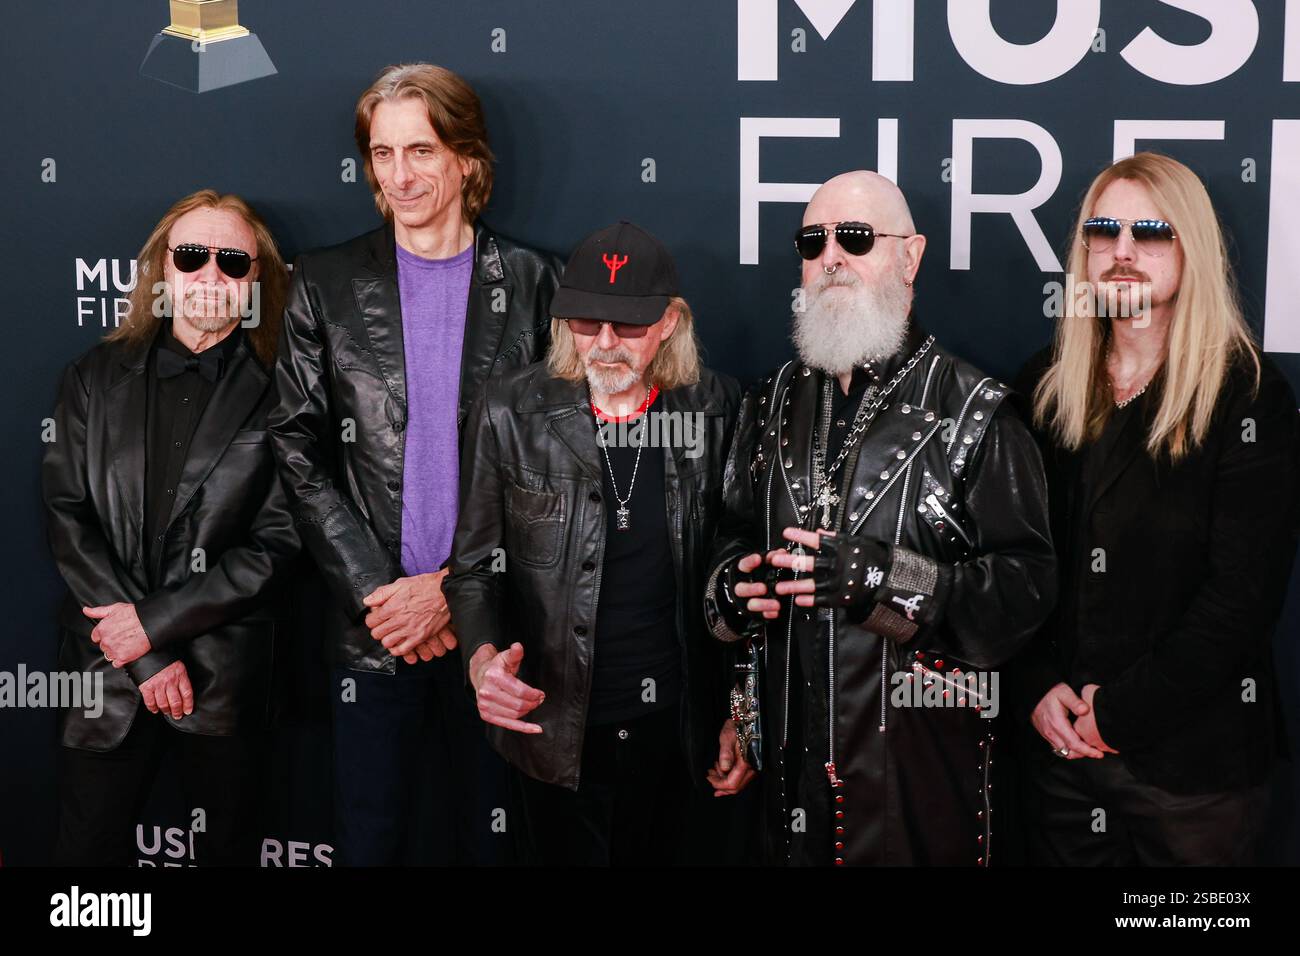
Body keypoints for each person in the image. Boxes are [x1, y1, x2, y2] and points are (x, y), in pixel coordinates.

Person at [705, 171, 1056, 866]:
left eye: (856, 238)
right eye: (814, 239)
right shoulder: (771, 399)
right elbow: (734, 535)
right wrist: (730, 588)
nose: (831, 255)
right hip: (787, 779)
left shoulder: (975, 411)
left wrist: (880, 577)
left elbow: (1026, 590)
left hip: (919, 786)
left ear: (910, 256)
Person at [268, 63, 561, 865]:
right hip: (374, 631)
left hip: (495, 634)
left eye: (422, 151)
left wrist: (451, 591)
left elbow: (556, 471)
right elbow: (295, 447)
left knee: (495, 846)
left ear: (466, 159)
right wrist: (380, 591)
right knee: (371, 845)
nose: (400, 176)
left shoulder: (537, 286)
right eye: (383, 153)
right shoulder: (322, 285)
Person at [1014, 152, 1300, 865]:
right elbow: (1014, 563)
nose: (1123, 251)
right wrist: (1037, 685)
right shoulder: (1044, 389)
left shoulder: (1250, 396)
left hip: (1193, 776)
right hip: (1060, 759)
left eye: (1152, 232)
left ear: (1191, 246)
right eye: (1104, 230)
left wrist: (1115, 714)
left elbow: (1241, 598)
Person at [444, 221, 745, 865]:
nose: (605, 344)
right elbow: (473, 571)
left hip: (677, 734)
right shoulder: (510, 411)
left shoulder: (716, 409)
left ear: (669, 323)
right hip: (553, 732)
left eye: (629, 325)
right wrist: (481, 663)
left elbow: (738, 575)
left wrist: (740, 713)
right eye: (585, 322)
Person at [43, 189, 297, 866]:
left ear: (255, 280)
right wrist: (144, 652)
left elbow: (278, 546)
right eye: (192, 256)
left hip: (226, 678)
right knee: (84, 868)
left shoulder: (285, 395)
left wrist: (154, 625)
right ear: (163, 269)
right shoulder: (93, 378)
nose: (210, 275)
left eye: (231, 261)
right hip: (107, 668)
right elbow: (68, 517)